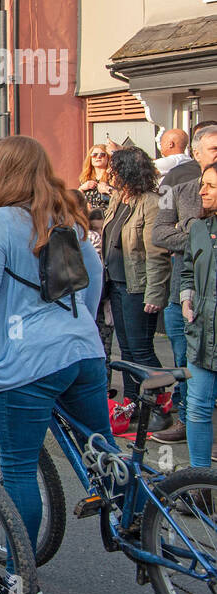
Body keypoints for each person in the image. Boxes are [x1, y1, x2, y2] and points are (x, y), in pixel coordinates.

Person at [0, 135, 106, 594]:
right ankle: (139, 522)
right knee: (102, 451)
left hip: (28, 360)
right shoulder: (64, 215)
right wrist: (77, 320)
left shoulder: (0, 220)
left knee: (19, 468)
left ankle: (21, 585)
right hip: (83, 349)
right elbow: (95, 278)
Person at [151, 124, 217, 444]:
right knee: (184, 362)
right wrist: (197, 237)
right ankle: (186, 421)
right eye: (214, 149)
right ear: (196, 152)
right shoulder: (172, 188)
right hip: (183, 292)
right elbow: (159, 233)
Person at [102, 145, 170, 414]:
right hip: (116, 284)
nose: (109, 172)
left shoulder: (151, 203)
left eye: (114, 168)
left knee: (141, 350)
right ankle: (132, 404)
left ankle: (157, 406)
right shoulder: (118, 198)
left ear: (128, 171)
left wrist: (154, 294)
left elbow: (157, 254)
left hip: (138, 287)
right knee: (126, 351)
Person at [175, 162, 217, 468]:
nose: (201, 191)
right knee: (197, 407)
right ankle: (199, 485)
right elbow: (188, 269)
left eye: (210, 186)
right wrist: (187, 301)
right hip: (201, 332)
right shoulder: (200, 228)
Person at [77, 145, 113, 212]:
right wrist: (81, 188)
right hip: (89, 218)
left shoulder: (112, 177)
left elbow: (120, 197)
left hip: (108, 217)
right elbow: (75, 200)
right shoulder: (85, 179)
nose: (98, 157)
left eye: (102, 154)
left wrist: (107, 190)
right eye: (94, 155)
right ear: (90, 159)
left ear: (108, 158)